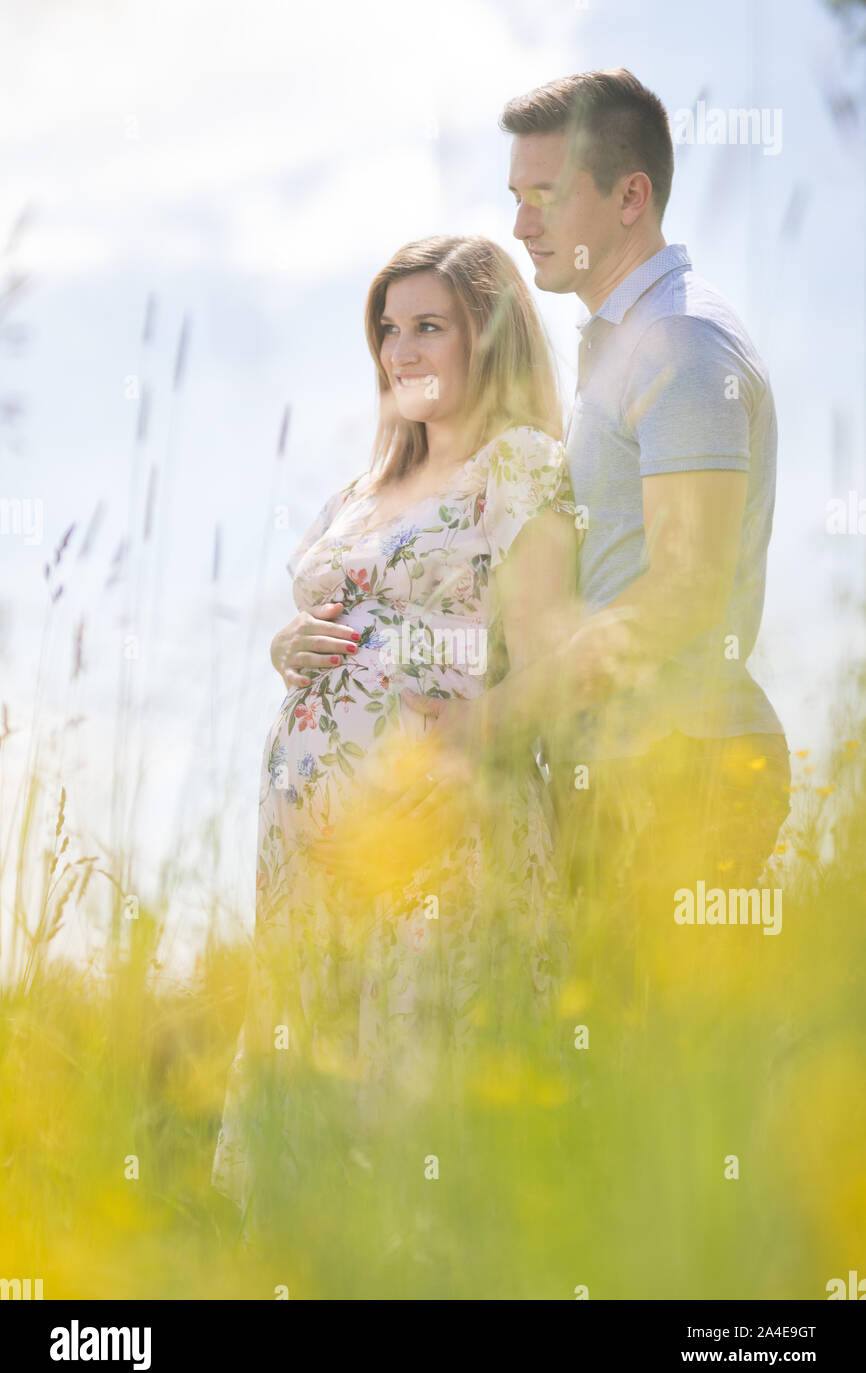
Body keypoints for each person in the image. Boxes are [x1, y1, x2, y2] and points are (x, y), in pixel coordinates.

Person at [211, 234, 577, 1223]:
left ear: (486, 338)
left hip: (438, 833)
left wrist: (479, 729)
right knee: (317, 1086)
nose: (401, 351)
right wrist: (289, 648)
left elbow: (553, 658)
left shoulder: (520, 469)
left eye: (428, 327)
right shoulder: (358, 491)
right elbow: (345, 624)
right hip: (309, 857)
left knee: (420, 1105)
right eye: (387, 328)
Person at [404, 70, 791, 941]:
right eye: (514, 196)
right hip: (621, 770)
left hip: (682, 767)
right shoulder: (619, 349)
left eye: (544, 196)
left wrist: (497, 721)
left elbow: (683, 593)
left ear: (631, 197)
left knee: (674, 1065)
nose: (519, 225)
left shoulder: (684, 346)